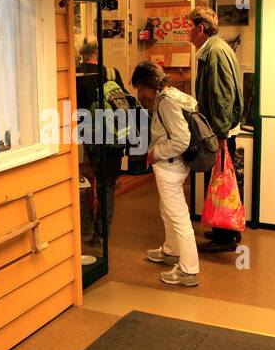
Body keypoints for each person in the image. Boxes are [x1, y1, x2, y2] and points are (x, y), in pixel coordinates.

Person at [131, 60, 199, 287]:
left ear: (148, 84)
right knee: (167, 211)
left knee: (178, 217)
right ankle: (171, 251)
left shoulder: (165, 102)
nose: (141, 94)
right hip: (176, 165)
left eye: (140, 88)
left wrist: (155, 152)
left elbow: (181, 139)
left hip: (169, 165)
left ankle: (189, 270)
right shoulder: (174, 95)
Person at [189, 6, 244, 253]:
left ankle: (224, 238)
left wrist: (220, 134)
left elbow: (222, 96)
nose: (186, 33)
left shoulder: (215, 53)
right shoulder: (218, 48)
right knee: (220, 180)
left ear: (200, 28)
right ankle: (226, 230)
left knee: (221, 181)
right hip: (220, 129)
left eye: (188, 27)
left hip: (220, 131)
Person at [75, 40, 126, 246]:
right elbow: (125, 108)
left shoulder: (76, 74)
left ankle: (85, 230)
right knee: (107, 187)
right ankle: (101, 234)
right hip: (113, 139)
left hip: (85, 138)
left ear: (82, 54)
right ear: (98, 53)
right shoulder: (112, 73)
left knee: (85, 184)